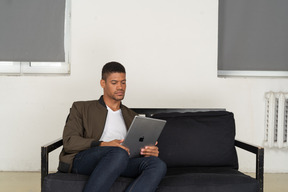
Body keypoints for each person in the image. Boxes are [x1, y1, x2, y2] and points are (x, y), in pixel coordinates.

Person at [58, 62, 167, 192]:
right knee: (118, 153)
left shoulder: (132, 116)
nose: (120, 87)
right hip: (86, 159)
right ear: (103, 83)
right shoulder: (81, 108)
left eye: (123, 82)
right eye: (114, 83)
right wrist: (104, 144)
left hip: (122, 160)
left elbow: (134, 148)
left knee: (157, 164)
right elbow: (69, 142)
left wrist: (149, 151)